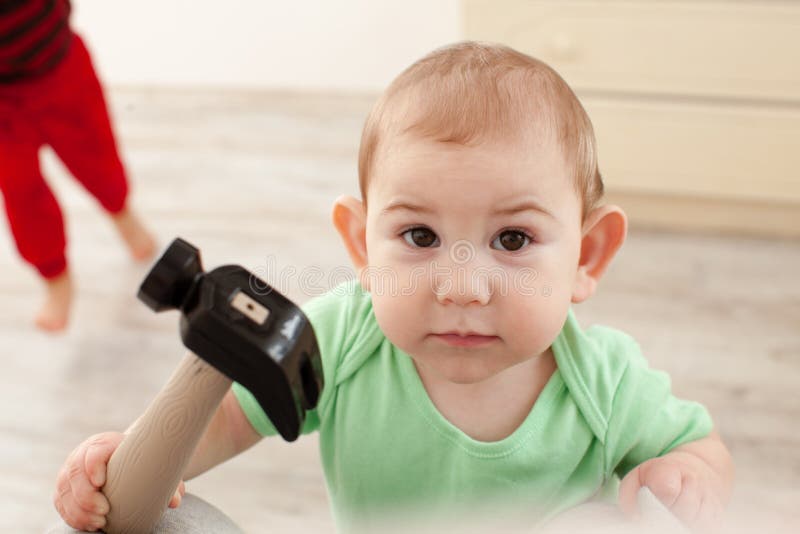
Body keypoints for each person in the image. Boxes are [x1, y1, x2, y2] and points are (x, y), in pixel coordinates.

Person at [52, 42, 734, 532]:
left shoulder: (605, 383)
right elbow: (229, 415)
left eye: (513, 240)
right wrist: (139, 457)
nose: (463, 287)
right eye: (419, 237)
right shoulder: (344, 338)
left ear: (587, 255)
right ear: (360, 245)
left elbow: (697, 447)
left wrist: (691, 476)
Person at [0, 0, 155, 332]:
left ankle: (122, 215)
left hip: (60, 69)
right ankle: (56, 278)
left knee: (97, 158)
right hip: (4, 101)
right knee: (20, 190)